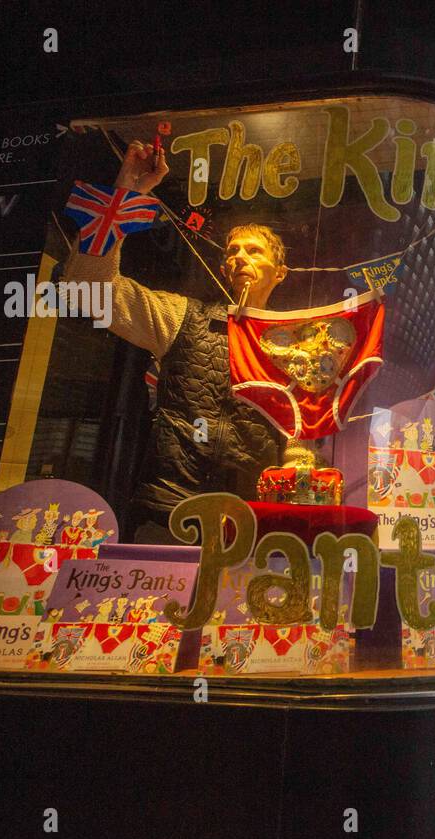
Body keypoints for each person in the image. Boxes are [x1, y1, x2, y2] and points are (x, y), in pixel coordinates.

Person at [63, 140, 291, 542]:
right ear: (222, 268)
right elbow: (87, 289)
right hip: (171, 510)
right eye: (233, 251)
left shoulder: (293, 345)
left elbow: (303, 433)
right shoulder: (182, 318)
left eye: (254, 251)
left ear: (280, 273)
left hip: (253, 520)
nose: (240, 257)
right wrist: (127, 193)